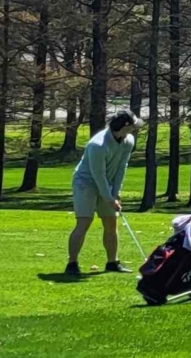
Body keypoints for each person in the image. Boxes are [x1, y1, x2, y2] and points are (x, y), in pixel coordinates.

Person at [66, 110, 136, 275]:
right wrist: (109, 198)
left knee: (111, 222)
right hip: (85, 183)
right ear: (125, 126)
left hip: (107, 183)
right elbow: (98, 175)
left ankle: (112, 262)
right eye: (133, 125)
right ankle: (72, 263)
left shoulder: (129, 140)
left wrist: (116, 192)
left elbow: (121, 167)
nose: (135, 128)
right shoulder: (97, 145)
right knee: (84, 222)